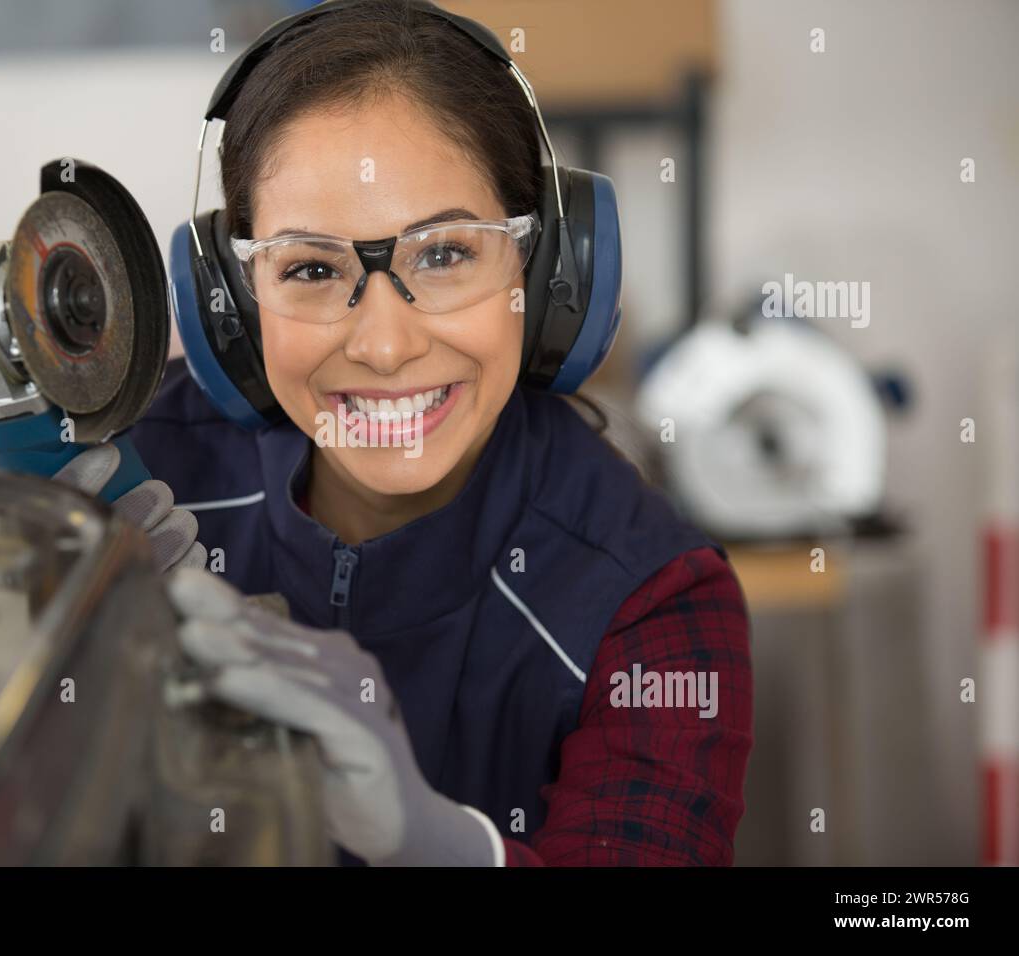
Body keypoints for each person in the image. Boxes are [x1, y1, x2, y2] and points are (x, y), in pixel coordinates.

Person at [60, 0, 752, 867]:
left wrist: (444, 849)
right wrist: (35, 623)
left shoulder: (653, 602)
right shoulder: (135, 470)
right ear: (232, 306)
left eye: (445, 253)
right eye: (310, 268)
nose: (386, 346)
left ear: (543, 276)